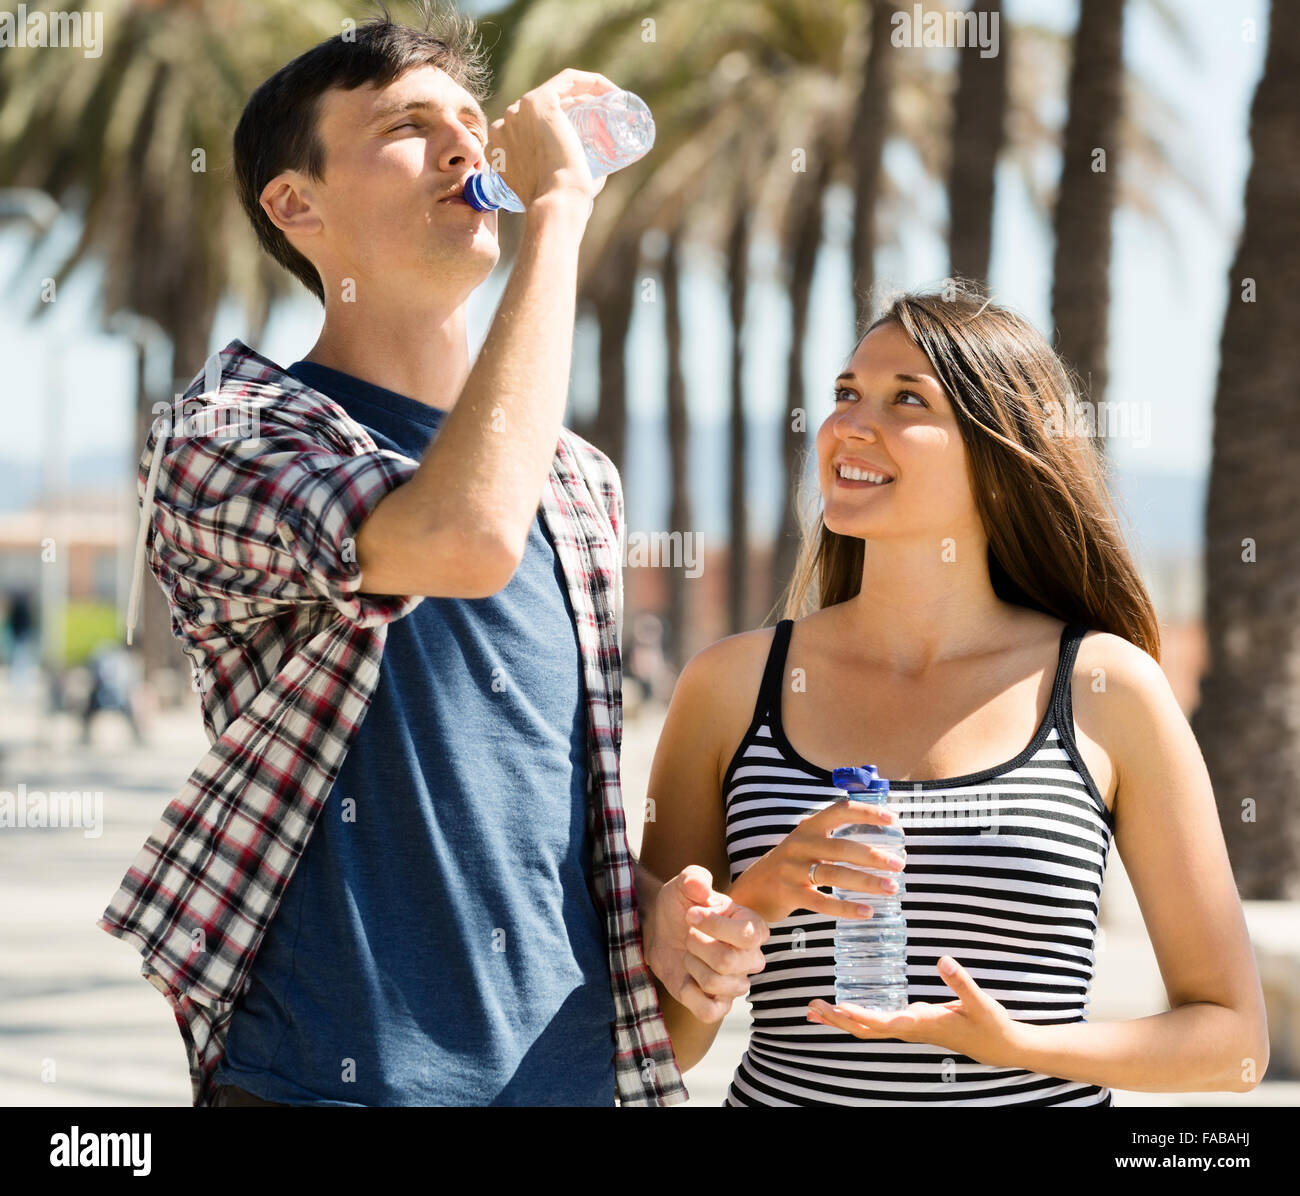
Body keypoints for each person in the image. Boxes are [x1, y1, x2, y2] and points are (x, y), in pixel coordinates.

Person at [99, 3, 763, 1108]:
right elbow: (460, 538)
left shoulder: (579, 480)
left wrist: (647, 904)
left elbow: (537, 796)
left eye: (472, 119)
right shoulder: (228, 436)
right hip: (323, 1081)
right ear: (294, 203)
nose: (467, 145)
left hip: (576, 1081)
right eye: (409, 126)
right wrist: (558, 212)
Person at [641, 284, 1271, 1105]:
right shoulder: (729, 688)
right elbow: (657, 1044)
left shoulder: (1108, 690)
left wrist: (1023, 1044)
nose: (849, 426)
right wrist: (750, 906)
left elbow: (1232, 1043)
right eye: (845, 394)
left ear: (999, 456)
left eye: (907, 398)